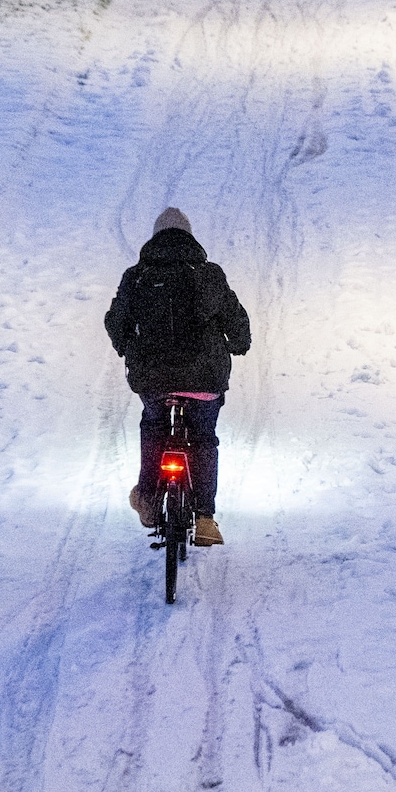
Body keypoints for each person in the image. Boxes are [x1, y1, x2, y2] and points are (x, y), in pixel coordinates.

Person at [105, 207, 252, 547]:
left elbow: (115, 321)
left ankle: (150, 499)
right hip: (204, 380)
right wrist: (239, 345)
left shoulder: (136, 276)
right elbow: (236, 319)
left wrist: (125, 346)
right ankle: (204, 519)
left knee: (153, 427)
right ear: (190, 238)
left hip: (152, 379)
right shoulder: (209, 274)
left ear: (155, 239)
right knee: (203, 438)